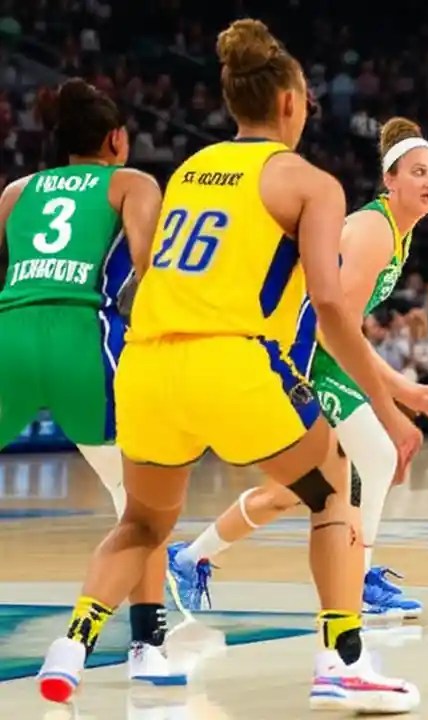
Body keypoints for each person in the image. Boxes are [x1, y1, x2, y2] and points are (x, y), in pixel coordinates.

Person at [36, 19, 422, 713]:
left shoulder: (188, 169)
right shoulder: (310, 181)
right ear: (288, 103)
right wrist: (391, 412)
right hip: (230, 361)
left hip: (147, 365)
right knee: (335, 489)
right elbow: (332, 309)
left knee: (143, 524)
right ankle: (343, 659)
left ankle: (71, 647)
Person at [166, 116, 428, 619]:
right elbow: (330, 327)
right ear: (390, 179)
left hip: (313, 351)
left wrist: (402, 391)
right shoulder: (374, 230)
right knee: (380, 453)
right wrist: (403, 392)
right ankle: (357, 579)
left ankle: (190, 558)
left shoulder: (399, 233)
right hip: (301, 352)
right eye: (417, 172)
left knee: (297, 491)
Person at [0, 78, 190, 683]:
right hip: (85, 338)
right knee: (144, 508)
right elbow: (146, 267)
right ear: (116, 138)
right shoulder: (131, 183)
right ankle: (146, 648)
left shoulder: (15, 190)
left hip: (10, 331)